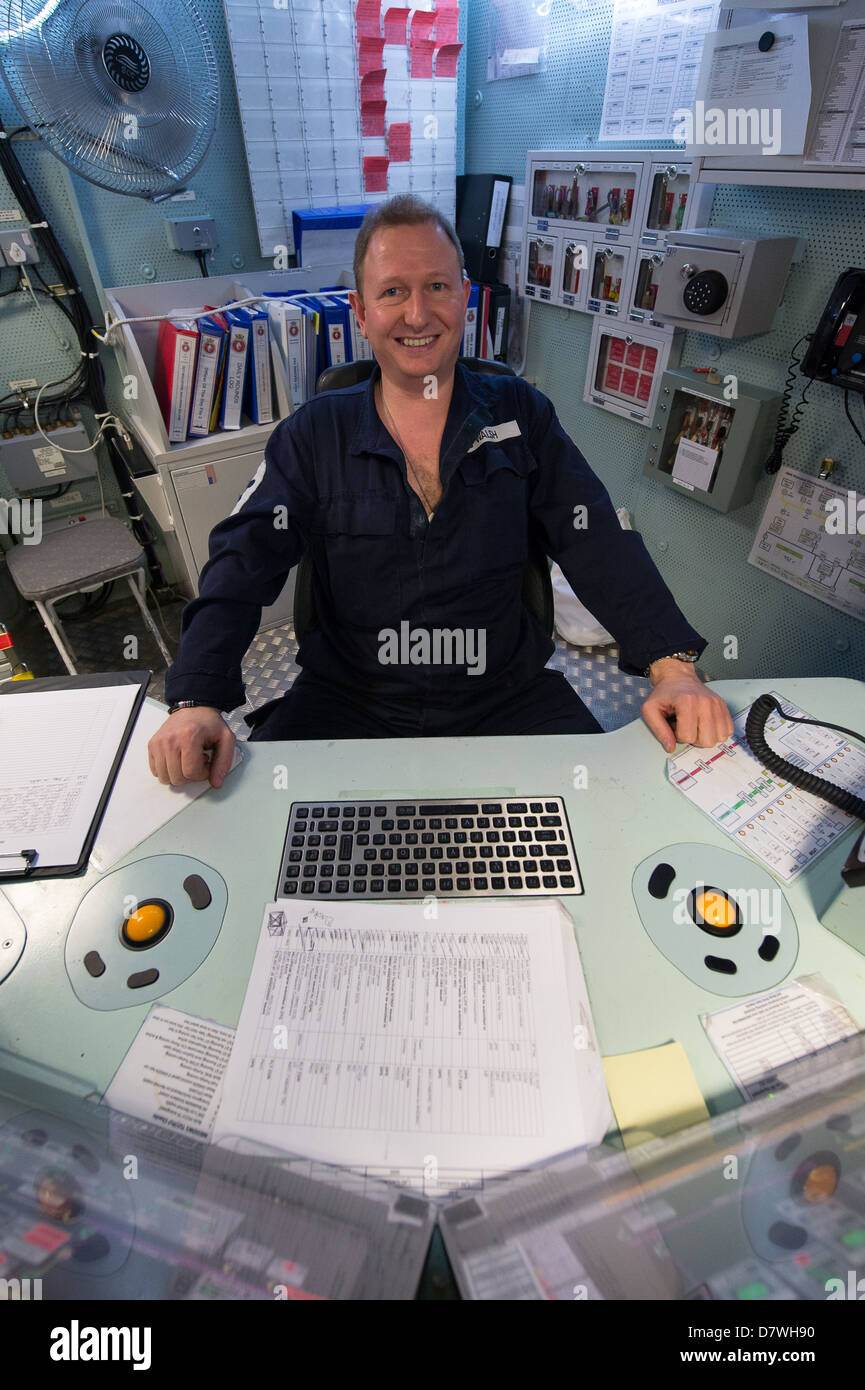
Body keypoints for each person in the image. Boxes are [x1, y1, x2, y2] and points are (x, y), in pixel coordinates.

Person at [149, 195, 733, 788]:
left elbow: (594, 537)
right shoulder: (312, 435)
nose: (418, 314)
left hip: (508, 697)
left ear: (465, 297)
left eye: (437, 286)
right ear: (361, 312)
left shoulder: (520, 416)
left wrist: (672, 666)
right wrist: (196, 697)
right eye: (393, 292)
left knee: (600, 826)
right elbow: (242, 560)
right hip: (349, 699)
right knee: (268, 839)